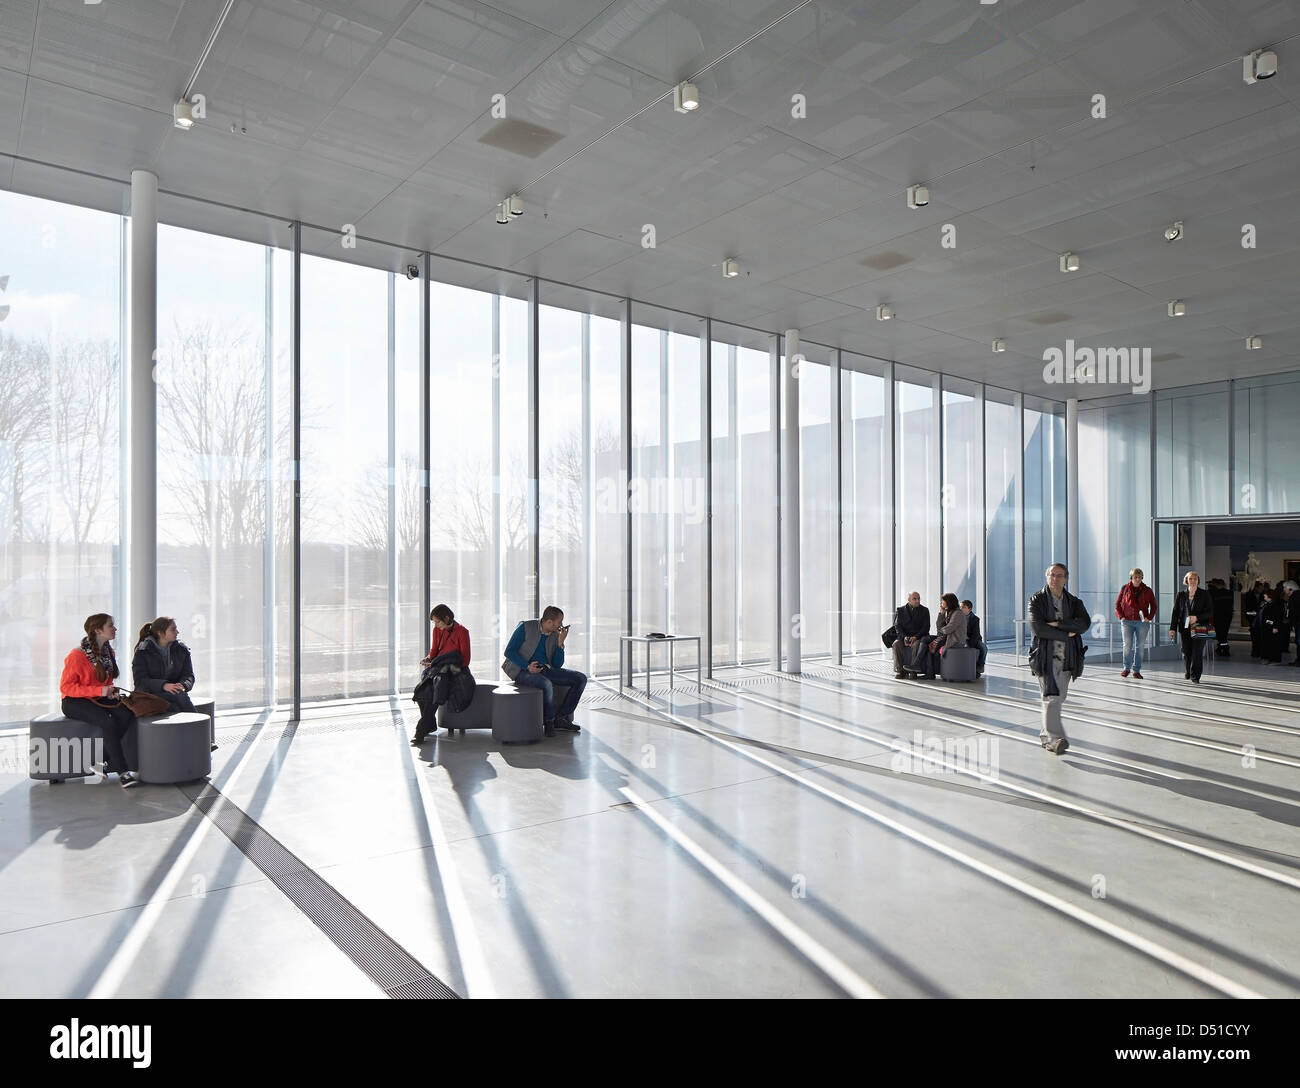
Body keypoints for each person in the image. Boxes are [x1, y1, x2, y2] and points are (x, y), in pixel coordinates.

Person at [60, 614, 140, 787]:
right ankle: (123, 772)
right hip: (74, 701)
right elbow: (66, 688)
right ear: (98, 630)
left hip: (97, 697)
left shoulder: (108, 651)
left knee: (127, 714)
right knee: (108, 722)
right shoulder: (77, 655)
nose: (115, 629)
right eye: (111, 625)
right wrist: (100, 690)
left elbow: (106, 681)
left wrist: (109, 691)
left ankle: (100, 760)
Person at [1028, 563, 1091, 756]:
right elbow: (1038, 628)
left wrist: (1058, 624)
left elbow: (1084, 623)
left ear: (1066, 579)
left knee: (1058, 697)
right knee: (1051, 696)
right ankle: (1056, 739)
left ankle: (1045, 736)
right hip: (1045, 655)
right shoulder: (1036, 600)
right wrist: (1067, 632)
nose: (1055, 579)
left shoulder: (1073, 602)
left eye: (1059, 576)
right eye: (1052, 575)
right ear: (1047, 577)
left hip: (1068, 656)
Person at [502, 605, 587, 737]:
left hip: (544, 669)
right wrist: (527, 666)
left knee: (580, 678)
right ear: (549, 622)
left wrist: (560, 643)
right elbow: (509, 651)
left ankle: (561, 718)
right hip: (522, 670)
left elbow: (557, 665)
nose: (561, 625)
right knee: (546, 684)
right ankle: (549, 722)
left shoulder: (554, 635)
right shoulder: (525, 627)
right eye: (559, 622)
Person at [412, 604, 474, 744]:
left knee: (436, 688)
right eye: (434, 622)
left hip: (455, 669)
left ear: (447, 618)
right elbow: (434, 651)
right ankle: (430, 724)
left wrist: (443, 662)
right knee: (422, 691)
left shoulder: (462, 632)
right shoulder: (437, 630)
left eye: (438, 621)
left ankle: (421, 730)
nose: (436, 625)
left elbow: (465, 660)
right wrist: (429, 659)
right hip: (439, 668)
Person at [1169, 570, 1213, 682]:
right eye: (1190, 579)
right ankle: (1188, 670)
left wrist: (1197, 617)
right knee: (1186, 652)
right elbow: (1175, 612)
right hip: (1184, 628)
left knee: (1197, 652)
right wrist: (1172, 628)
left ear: (1198, 581)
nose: (1193, 581)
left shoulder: (1205, 594)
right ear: (1186, 581)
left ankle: (1195, 676)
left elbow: (1210, 612)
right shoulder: (1181, 595)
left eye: (1195, 579)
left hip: (1200, 627)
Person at [1113, 567, 1156, 678]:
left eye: (1139, 577)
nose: (1137, 579)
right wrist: (1121, 617)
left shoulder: (1147, 590)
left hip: (1142, 623)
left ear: (1142, 578)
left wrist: (1149, 617)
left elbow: (1154, 606)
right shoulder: (1125, 589)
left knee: (1140, 647)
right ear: (1131, 577)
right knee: (1127, 645)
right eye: (1135, 577)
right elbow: (1117, 604)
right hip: (1127, 622)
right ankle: (1126, 668)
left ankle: (1136, 670)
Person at [891, 591, 932, 680]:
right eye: (914, 599)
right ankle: (900, 670)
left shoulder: (925, 610)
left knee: (916, 644)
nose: (917, 601)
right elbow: (897, 627)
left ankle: (913, 671)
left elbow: (926, 627)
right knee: (896, 644)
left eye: (918, 599)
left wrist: (916, 637)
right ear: (909, 599)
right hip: (904, 637)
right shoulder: (900, 610)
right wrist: (904, 637)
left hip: (918, 637)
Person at [929, 593, 967, 661]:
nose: (941, 602)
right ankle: (927, 669)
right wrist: (941, 613)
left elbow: (949, 628)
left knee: (934, 650)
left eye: (943, 601)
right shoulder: (950, 612)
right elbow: (939, 625)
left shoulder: (958, 613)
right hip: (948, 638)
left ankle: (933, 670)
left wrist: (941, 630)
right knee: (926, 642)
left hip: (955, 641)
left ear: (949, 602)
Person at [1257, 587, 1287, 665]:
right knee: (1267, 643)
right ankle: (1267, 658)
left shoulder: (1276, 605)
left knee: (1274, 644)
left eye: (1266, 594)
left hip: (1272, 627)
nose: (1264, 595)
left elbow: (1277, 617)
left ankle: (1275, 660)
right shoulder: (1266, 603)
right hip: (1266, 627)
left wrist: (1275, 626)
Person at [1209, 578, 1234, 658]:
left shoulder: (1214, 593)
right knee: (1224, 632)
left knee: (1220, 633)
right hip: (1228, 616)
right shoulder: (1230, 593)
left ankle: (1224, 648)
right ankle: (1222, 647)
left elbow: (1212, 605)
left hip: (1218, 616)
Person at [1246, 580, 1265, 658]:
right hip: (1253, 619)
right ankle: (1255, 651)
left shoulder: (1263, 596)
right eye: (1260, 588)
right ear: (1256, 588)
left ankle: (1260, 651)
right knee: (1254, 636)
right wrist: (1253, 615)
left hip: (1261, 619)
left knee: (1261, 636)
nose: (1261, 590)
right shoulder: (1249, 595)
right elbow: (1247, 609)